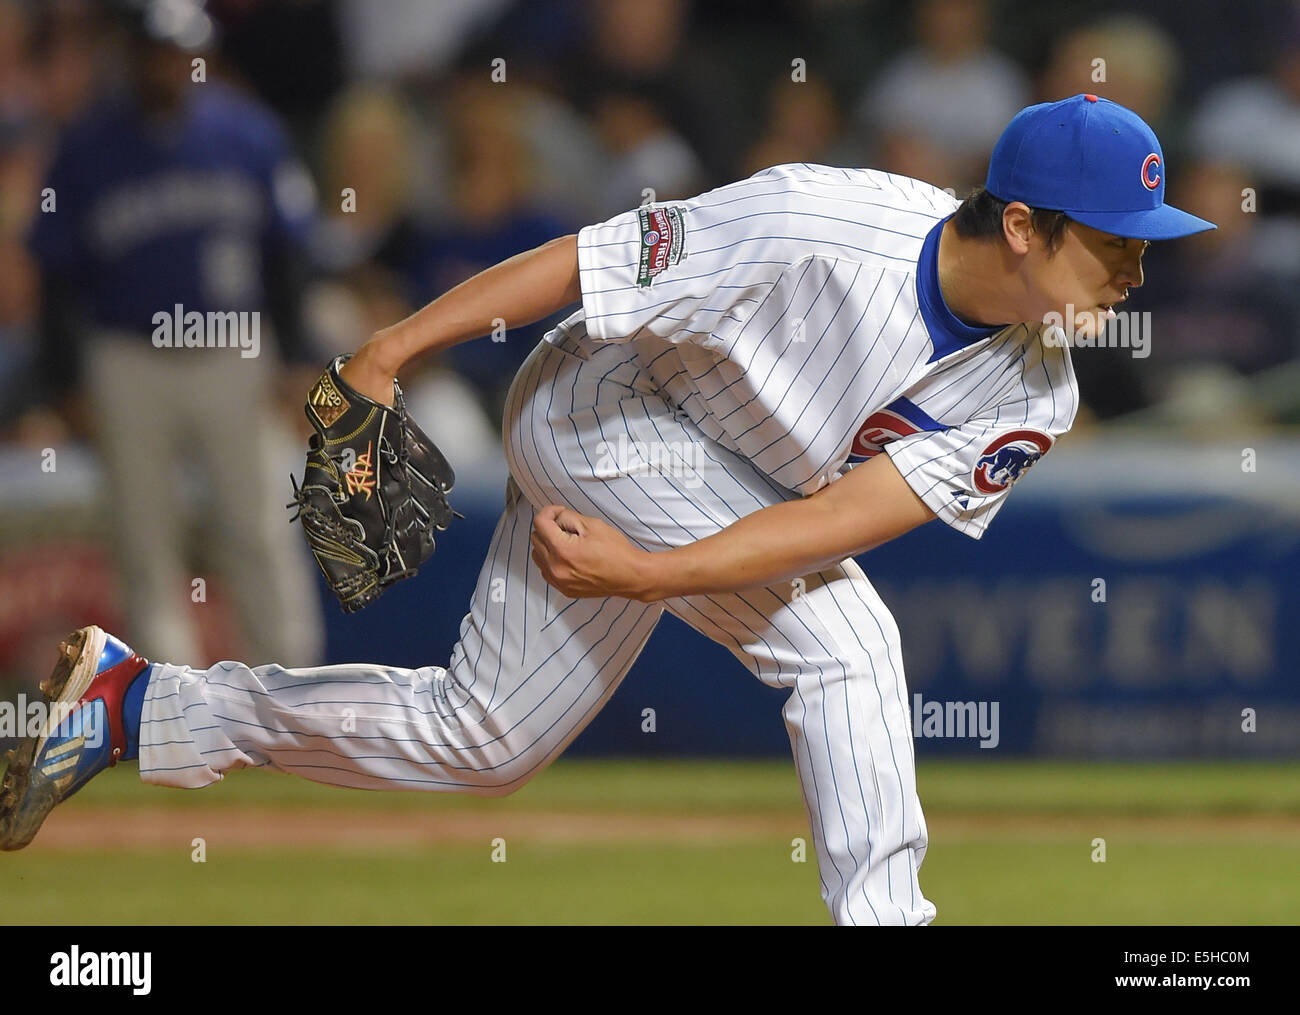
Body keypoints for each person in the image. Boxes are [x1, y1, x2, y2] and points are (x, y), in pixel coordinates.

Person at [1, 95, 1214, 925]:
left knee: (485, 741)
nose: (1137, 270)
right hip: (602, 403)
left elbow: (845, 518)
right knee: (851, 646)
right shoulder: (813, 221)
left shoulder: (1037, 389)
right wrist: (390, 349)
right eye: (1117, 245)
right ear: (1021, 225)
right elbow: (586, 261)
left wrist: (649, 573)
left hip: (724, 484)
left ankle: (139, 705)